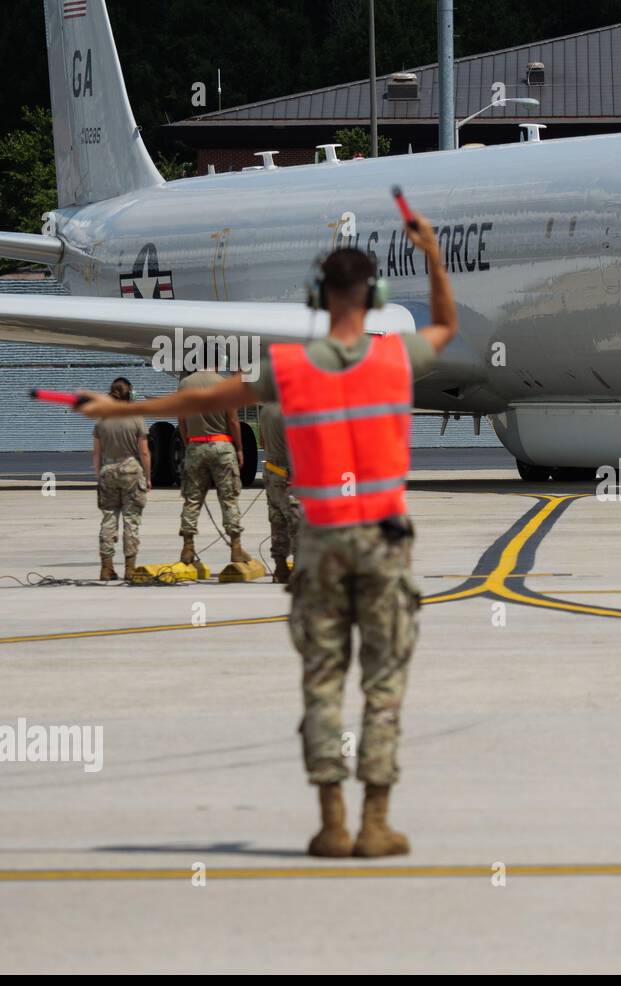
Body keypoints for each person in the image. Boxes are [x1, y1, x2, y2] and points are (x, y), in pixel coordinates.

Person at [77, 209, 458, 859]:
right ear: (376, 299)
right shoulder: (397, 358)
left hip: (322, 538)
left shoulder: (290, 368)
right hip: (384, 540)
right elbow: (447, 325)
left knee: (322, 678)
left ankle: (332, 821)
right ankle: (376, 820)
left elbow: (198, 399)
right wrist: (432, 255)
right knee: (384, 682)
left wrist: (127, 407)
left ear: (316, 298)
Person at [177, 363, 249, 566]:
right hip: (222, 444)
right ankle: (236, 548)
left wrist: (188, 444)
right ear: (217, 363)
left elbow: (181, 420)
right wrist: (240, 448)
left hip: (195, 444)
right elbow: (233, 420)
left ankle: (187, 548)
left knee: (192, 500)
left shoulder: (185, 384)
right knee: (229, 499)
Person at [92, 377, 150, 580]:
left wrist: (99, 474)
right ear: (130, 395)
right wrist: (148, 477)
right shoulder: (135, 417)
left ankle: (106, 567)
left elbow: (96, 453)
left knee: (108, 519)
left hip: (108, 471)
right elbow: (144, 452)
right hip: (131, 471)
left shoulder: (102, 418)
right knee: (131, 521)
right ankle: (130, 568)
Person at [259, 401, 299, 583]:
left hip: (272, 471)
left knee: (277, 520)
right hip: (290, 471)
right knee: (297, 521)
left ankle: (280, 568)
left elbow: (261, 441)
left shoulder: (266, 409)